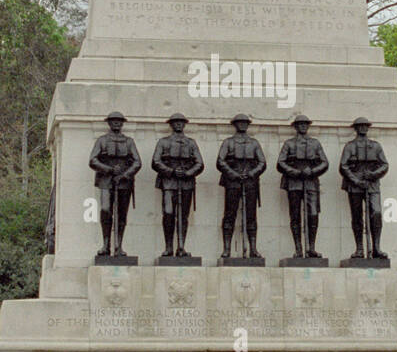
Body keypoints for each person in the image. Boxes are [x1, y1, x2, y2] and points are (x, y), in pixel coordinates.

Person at [150, 113, 204, 257]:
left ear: (185, 124)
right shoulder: (163, 142)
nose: (178, 124)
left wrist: (187, 173)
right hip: (168, 182)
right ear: (171, 124)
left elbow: (199, 163)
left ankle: (181, 247)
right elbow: (156, 162)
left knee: (183, 216)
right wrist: (171, 171)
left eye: (181, 122)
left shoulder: (191, 143)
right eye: (176, 122)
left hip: (186, 182)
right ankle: (168, 247)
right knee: (168, 214)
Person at [275, 113, 328, 258]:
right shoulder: (289, 144)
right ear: (296, 127)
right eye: (300, 124)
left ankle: (311, 248)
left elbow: (324, 162)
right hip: (294, 182)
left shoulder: (315, 143)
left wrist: (312, 171)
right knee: (295, 215)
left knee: (312, 214)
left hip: (311, 181)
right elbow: (280, 163)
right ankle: (298, 249)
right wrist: (295, 172)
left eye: (305, 124)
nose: (303, 126)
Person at [89, 111, 141, 257]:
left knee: (122, 214)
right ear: (109, 123)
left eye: (119, 121)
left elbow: (137, 162)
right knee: (106, 210)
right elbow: (93, 160)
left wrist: (125, 175)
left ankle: (119, 245)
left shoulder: (129, 141)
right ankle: (106, 244)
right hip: (106, 180)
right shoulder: (102, 140)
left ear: (123, 123)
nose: (117, 123)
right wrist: (109, 170)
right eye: (114, 121)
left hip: (124, 182)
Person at [216, 113, 265, 259]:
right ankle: (226, 249)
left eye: (245, 123)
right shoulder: (228, 142)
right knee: (229, 215)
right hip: (232, 181)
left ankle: (253, 249)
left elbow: (262, 162)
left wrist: (252, 173)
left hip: (250, 182)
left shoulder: (254, 143)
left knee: (251, 216)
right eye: (240, 122)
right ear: (235, 124)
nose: (243, 125)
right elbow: (220, 161)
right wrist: (233, 173)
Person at [339, 116, 388, 259]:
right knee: (357, 216)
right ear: (355, 128)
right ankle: (359, 248)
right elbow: (343, 166)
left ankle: (376, 248)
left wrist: (373, 174)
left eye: (365, 126)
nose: (363, 128)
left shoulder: (376, 146)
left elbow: (384, 165)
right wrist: (356, 180)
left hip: (372, 184)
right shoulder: (350, 146)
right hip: (354, 184)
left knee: (376, 213)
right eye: (360, 126)